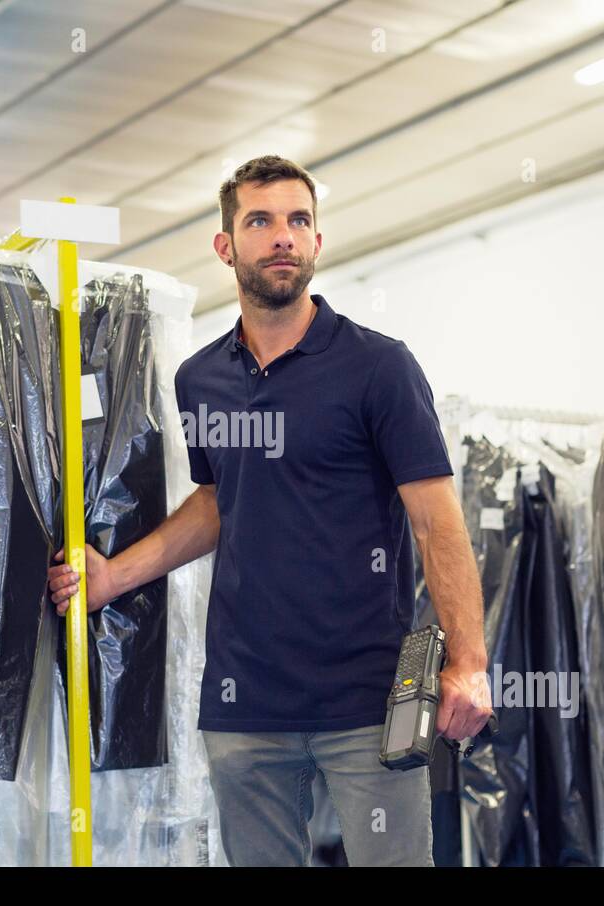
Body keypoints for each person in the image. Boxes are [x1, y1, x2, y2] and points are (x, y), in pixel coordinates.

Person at [47, 155, 490, 866]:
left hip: (372, 699)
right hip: (245, 702)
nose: (282, 236)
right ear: (227, 246)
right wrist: (114, 578)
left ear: (317, 241)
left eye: (298, 220)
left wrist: (468, 661)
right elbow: (220, 501)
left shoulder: (379, 367)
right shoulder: (201, 379)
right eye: (260, 220)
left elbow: (438, 521)